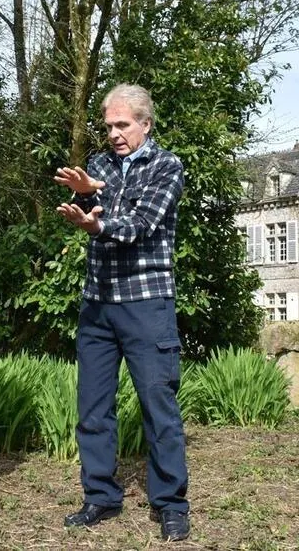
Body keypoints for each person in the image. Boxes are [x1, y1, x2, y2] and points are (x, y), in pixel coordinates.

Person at [53, 84, 191, 542]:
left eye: (122, 125)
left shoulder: (167, 166)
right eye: (108, 125)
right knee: (92, 407)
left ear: (145, 124)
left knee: (159, 407)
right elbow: (90, 212)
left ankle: (170, 503)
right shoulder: (97, 166)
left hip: (147, 303)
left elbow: (140, 223)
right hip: (98, 304)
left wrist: (98, 211)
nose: (113, 133)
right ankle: (100, 497)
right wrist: (87, 198)